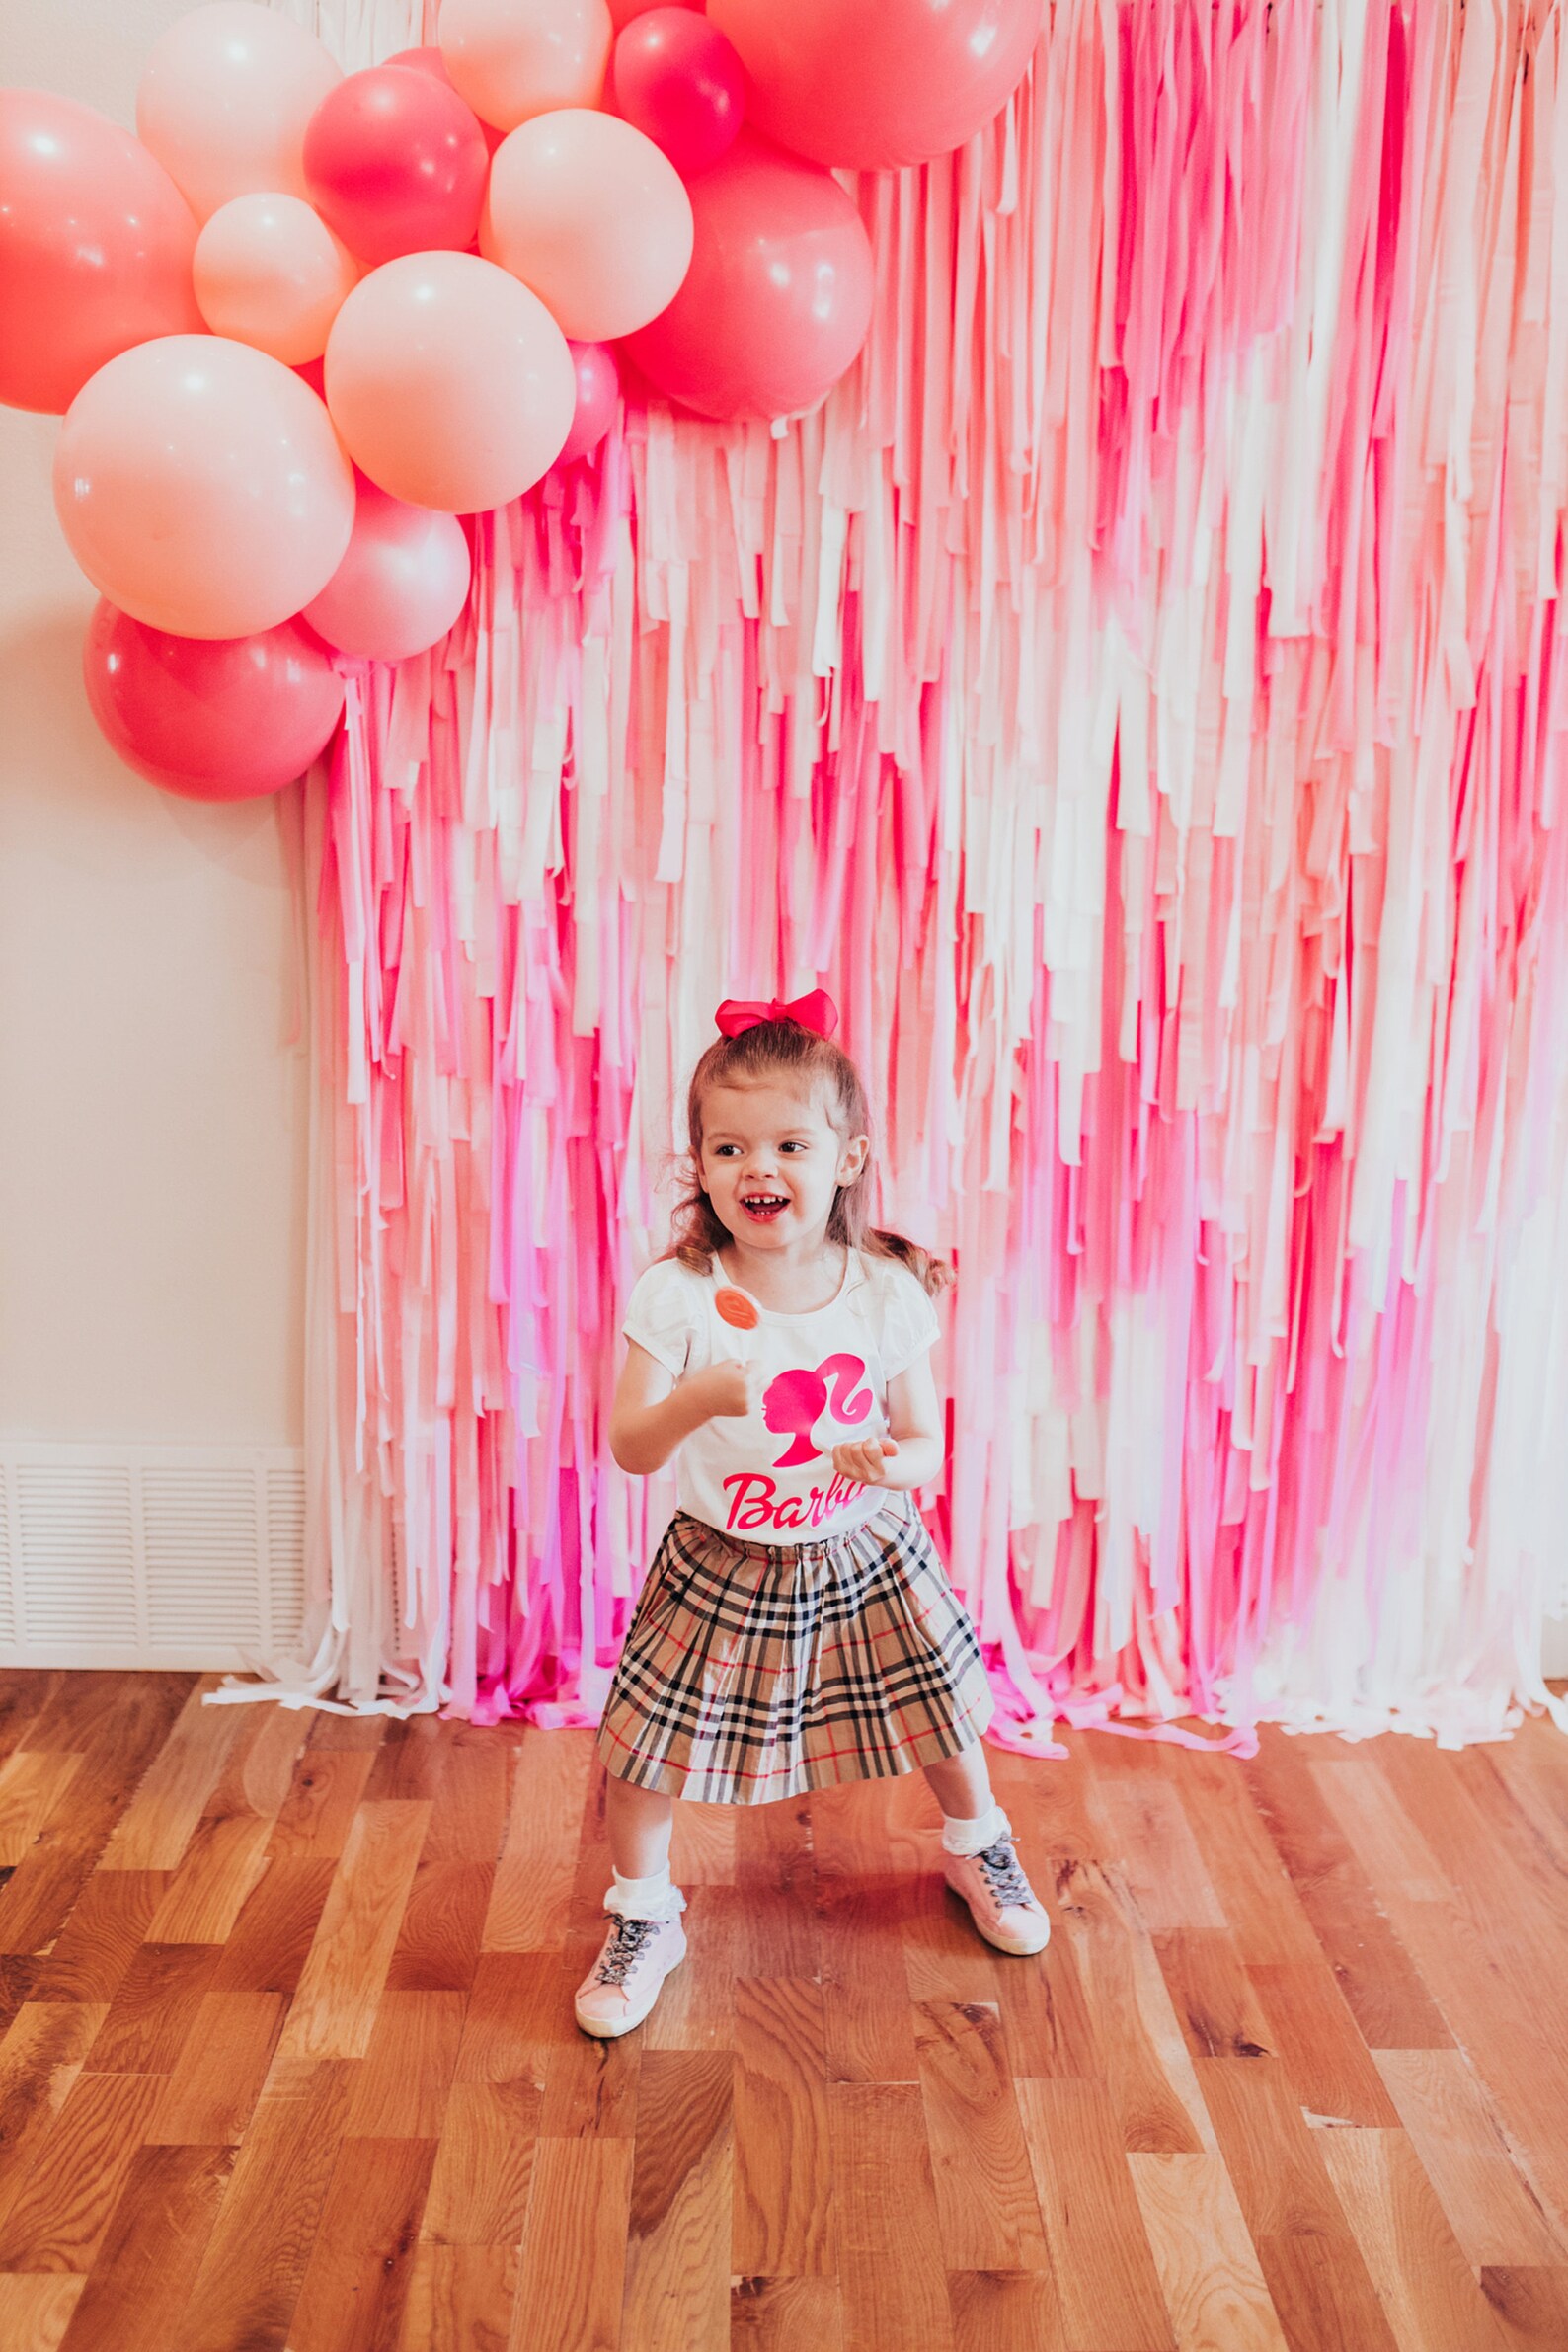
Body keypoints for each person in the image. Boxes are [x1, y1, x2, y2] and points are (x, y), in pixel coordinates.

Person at [575, 992, 1052, 2037]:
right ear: (697, 1165)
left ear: (846, 1157)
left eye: (790, 1143)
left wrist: (887, 1459)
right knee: (646, 1748)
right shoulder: (679, 1294)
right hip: (723, 1557)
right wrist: (695, 1398)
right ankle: (645, 1915)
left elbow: (927, 1447)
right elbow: (629, 1445)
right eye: (730, 1146)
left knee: (939, 1709)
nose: (760, 1168)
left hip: (862, 1548)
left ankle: (979, 1846)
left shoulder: (882, 1289)